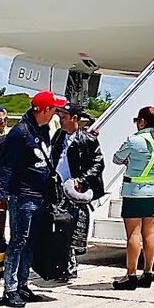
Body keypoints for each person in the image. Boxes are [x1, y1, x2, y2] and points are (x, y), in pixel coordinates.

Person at [0, 91, 62, 308]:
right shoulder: (20, 133)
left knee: (30, 242)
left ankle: (23, 284)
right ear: (42, 110)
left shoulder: (42, 130)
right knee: (18, 241)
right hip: (22, 196)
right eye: (52, 110)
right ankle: (10, 289)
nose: (54, 114)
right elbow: (8, 166)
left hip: (39, 195)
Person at [111, 105, 154, 290]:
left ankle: (131, 275)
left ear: (142, 122)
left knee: (133, 234)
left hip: (134, 190)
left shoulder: (134, 140)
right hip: (153, 191)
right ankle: (148, 272)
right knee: (149, 233)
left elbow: (117, 158)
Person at [51, 98, 105, 281]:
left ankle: (70, 265)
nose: (61, 120)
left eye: (64, 117)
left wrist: (82, 181)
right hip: (57, 188)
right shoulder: (58, 136)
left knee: (72, 229)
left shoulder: (87, 139)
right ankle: (60, 264)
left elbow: (98, 163)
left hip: (74, 190)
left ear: (74, 118)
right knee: (58, 228)